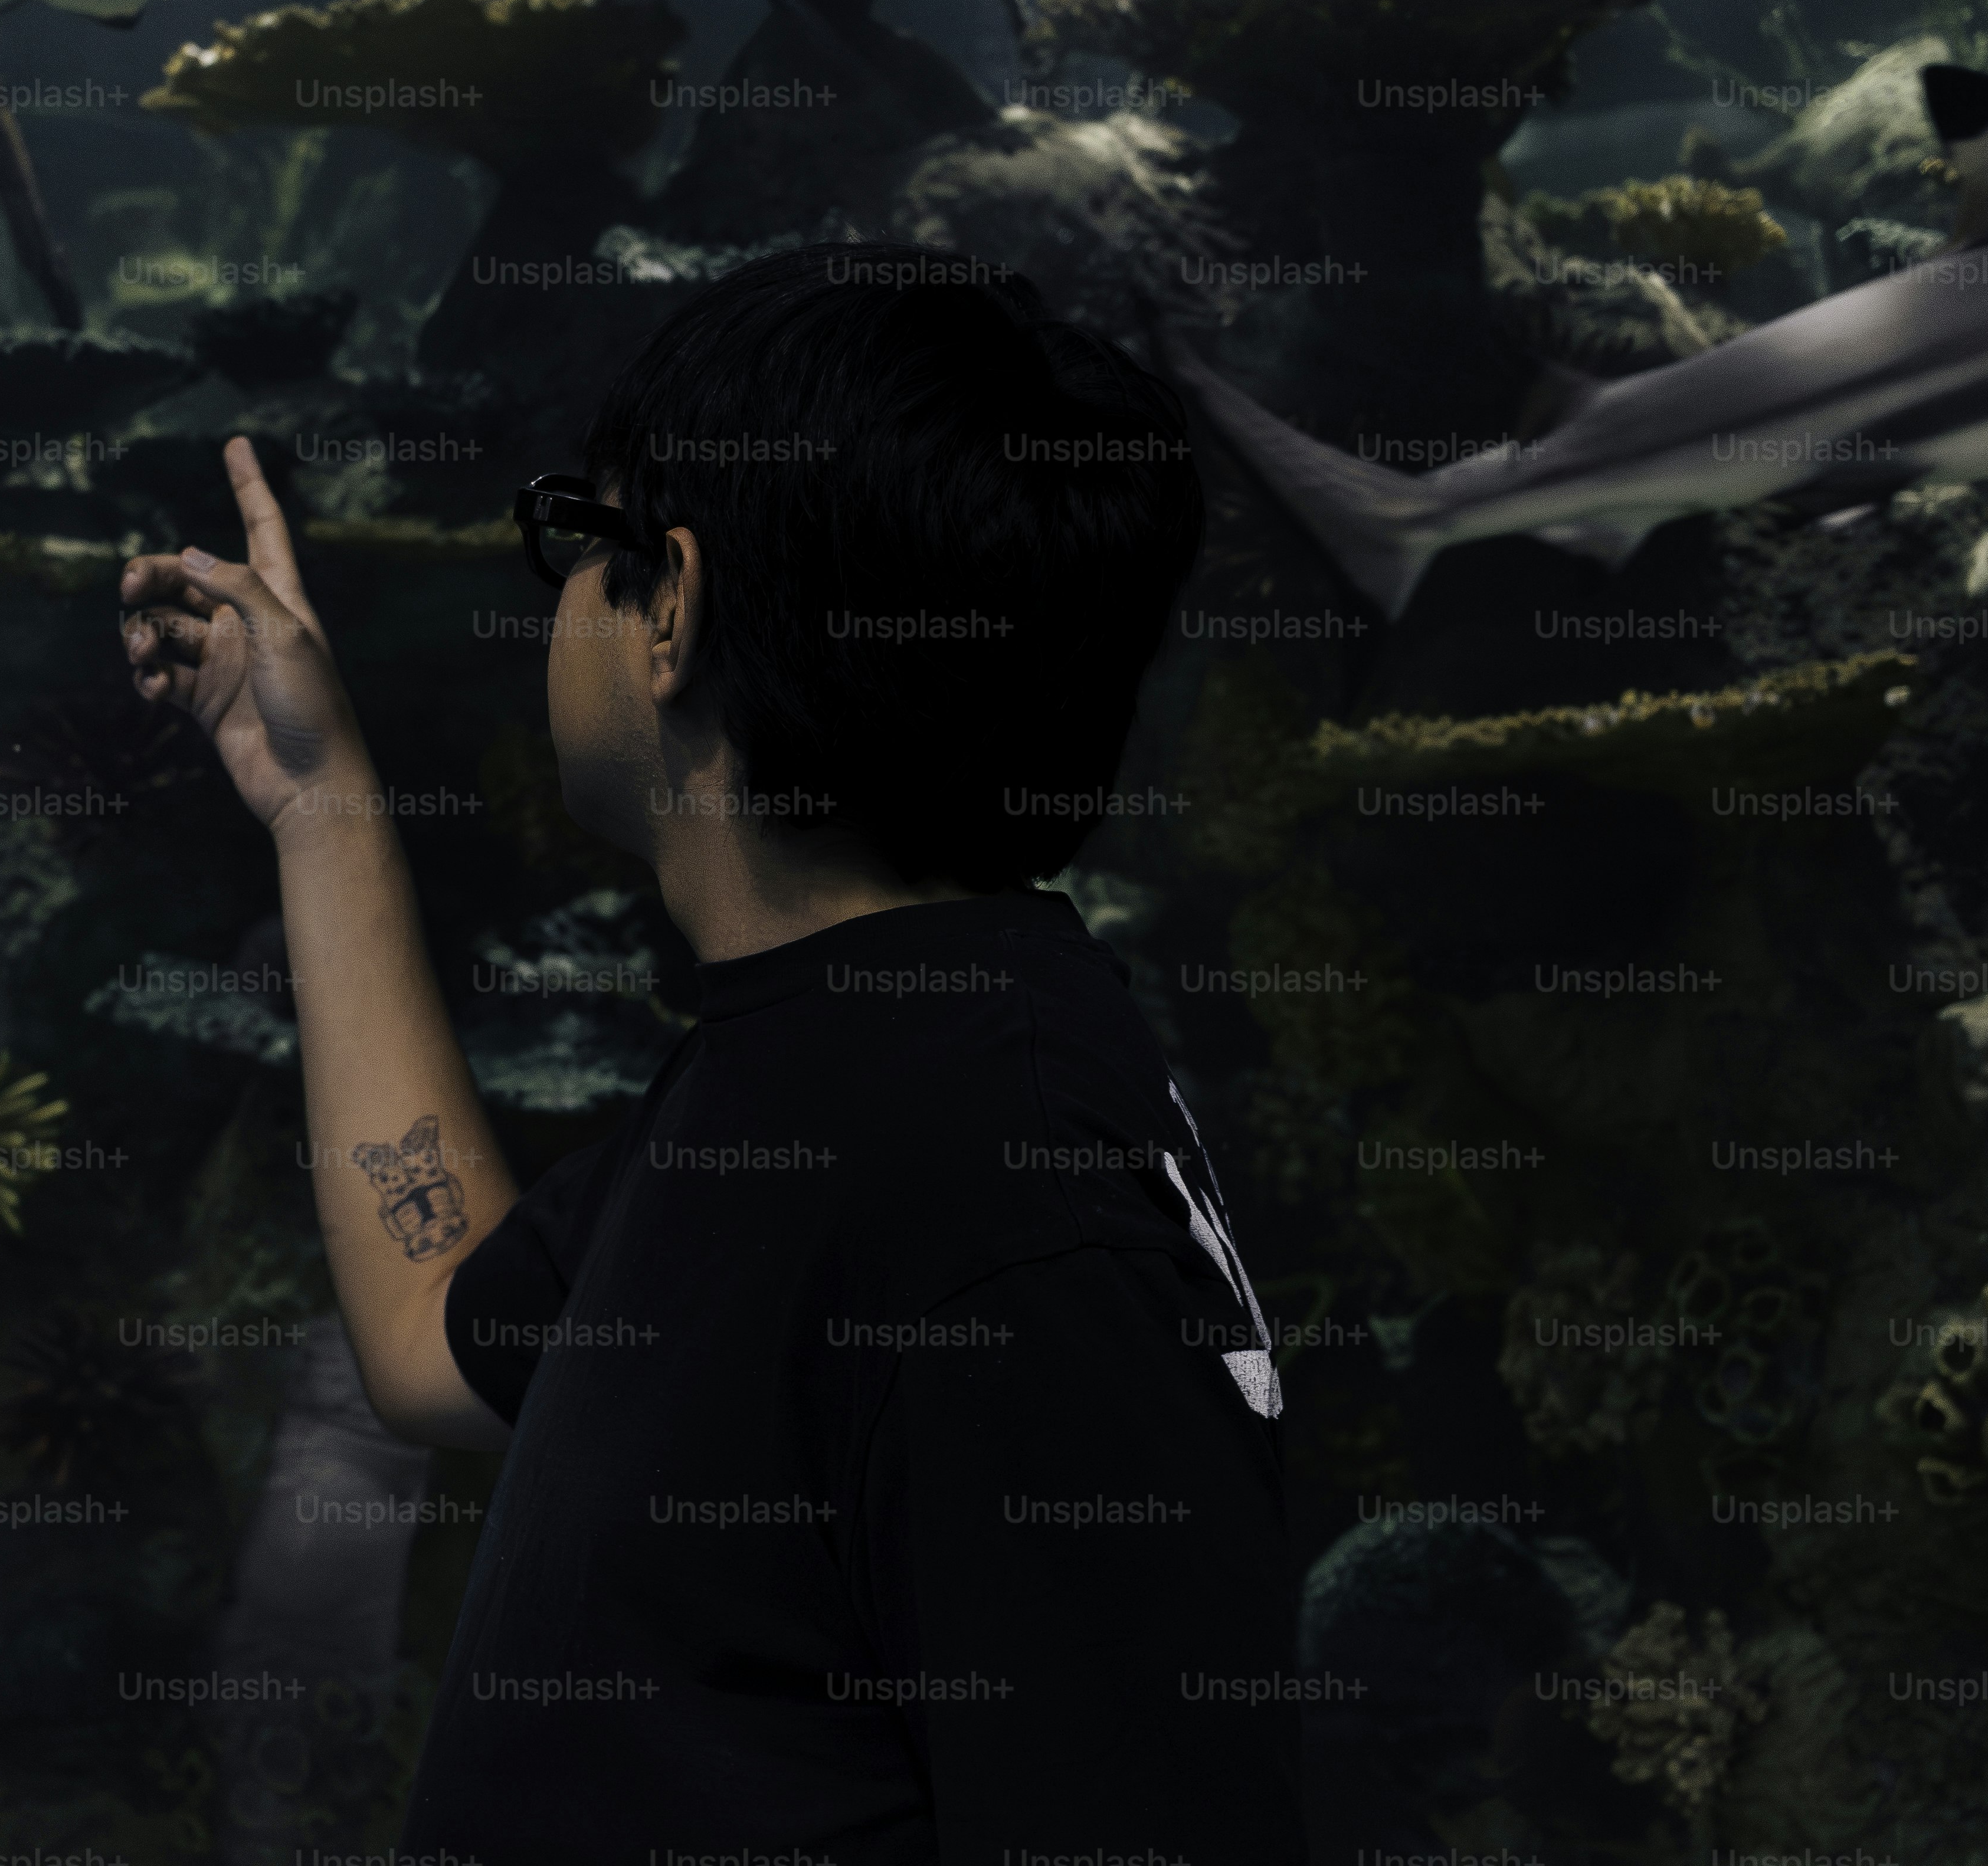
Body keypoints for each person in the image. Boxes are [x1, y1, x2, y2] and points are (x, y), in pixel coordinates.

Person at [118, 243, 1302, 1862]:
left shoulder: (995, 1209)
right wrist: (317, 800)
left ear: (668, 606)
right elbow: (429, 1336)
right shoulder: (836, 1062)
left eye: (576, 546)